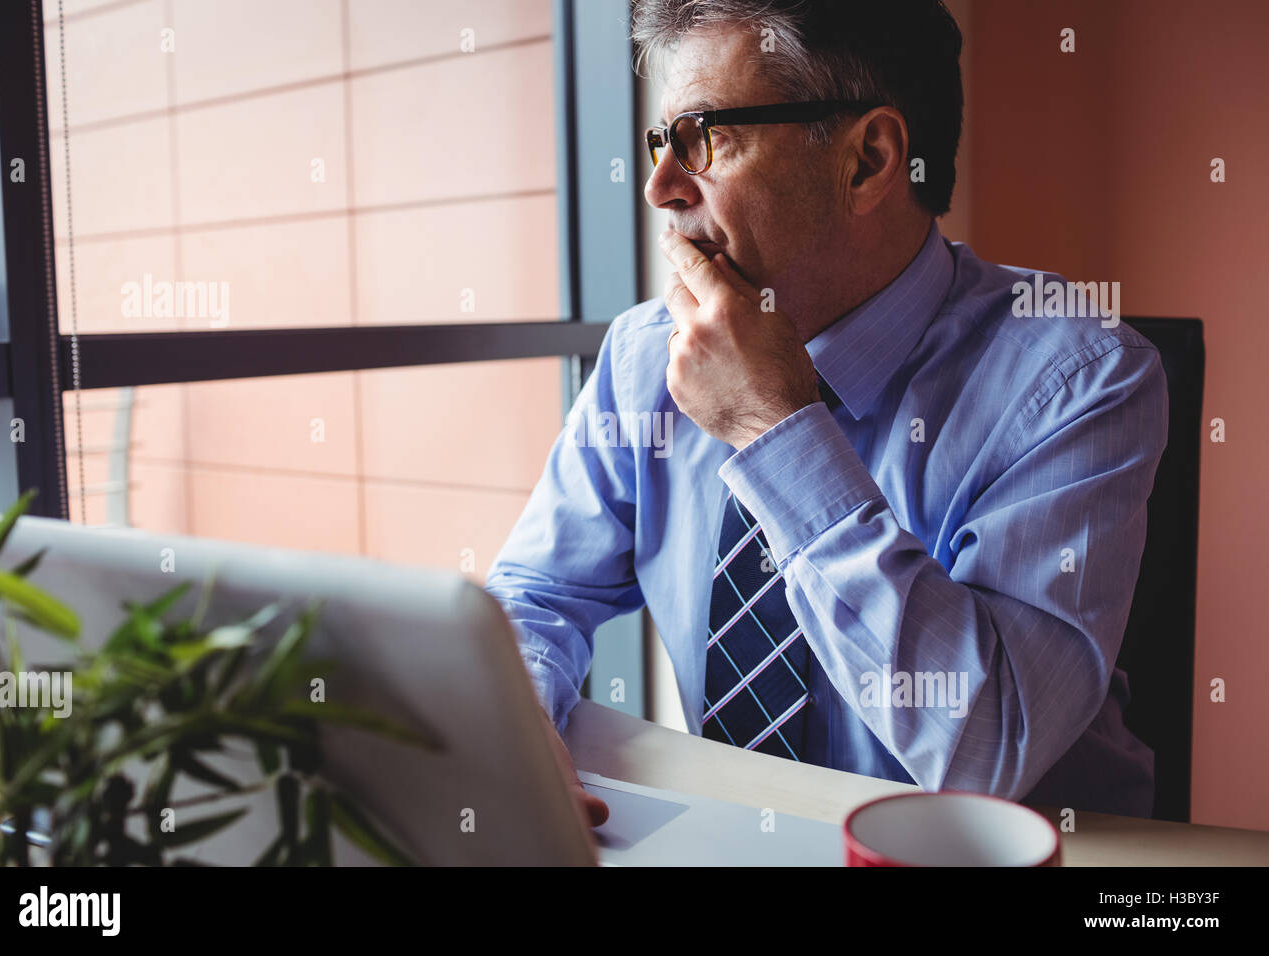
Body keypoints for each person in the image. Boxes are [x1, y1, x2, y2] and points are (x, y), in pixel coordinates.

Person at [487, 0, 1165, 829]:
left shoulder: (1079, 379)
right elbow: (533, 593)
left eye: (704, 136)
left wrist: (775, 429)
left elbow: (986, 749)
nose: (661, 188)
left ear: (868, 160)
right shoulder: (643, 357)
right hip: (731, 840)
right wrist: (516, 735)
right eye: (660, 142)